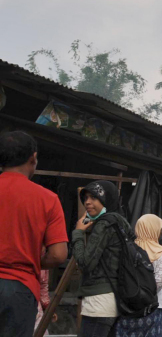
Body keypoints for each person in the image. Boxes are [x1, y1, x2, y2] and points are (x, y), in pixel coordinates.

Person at [1, 132, 68, 337]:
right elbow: (58, 255)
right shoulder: (47, 199)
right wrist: (31, 259)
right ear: (33, 158)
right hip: (20, 289)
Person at [73, 180, 131, 337]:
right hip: (114, 301)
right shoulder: (121, 223)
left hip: (98, 303)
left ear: (106, 200)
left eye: (94, 197)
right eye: (86, 198)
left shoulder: (104, 225)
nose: (88, 202)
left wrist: (78, 233)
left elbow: (85, 263)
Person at [116, 214, 162, 337]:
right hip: (152, 307)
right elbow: (160, 281)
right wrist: (144, 294)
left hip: (127, 305)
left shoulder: (129, 249)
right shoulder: (161, 253)